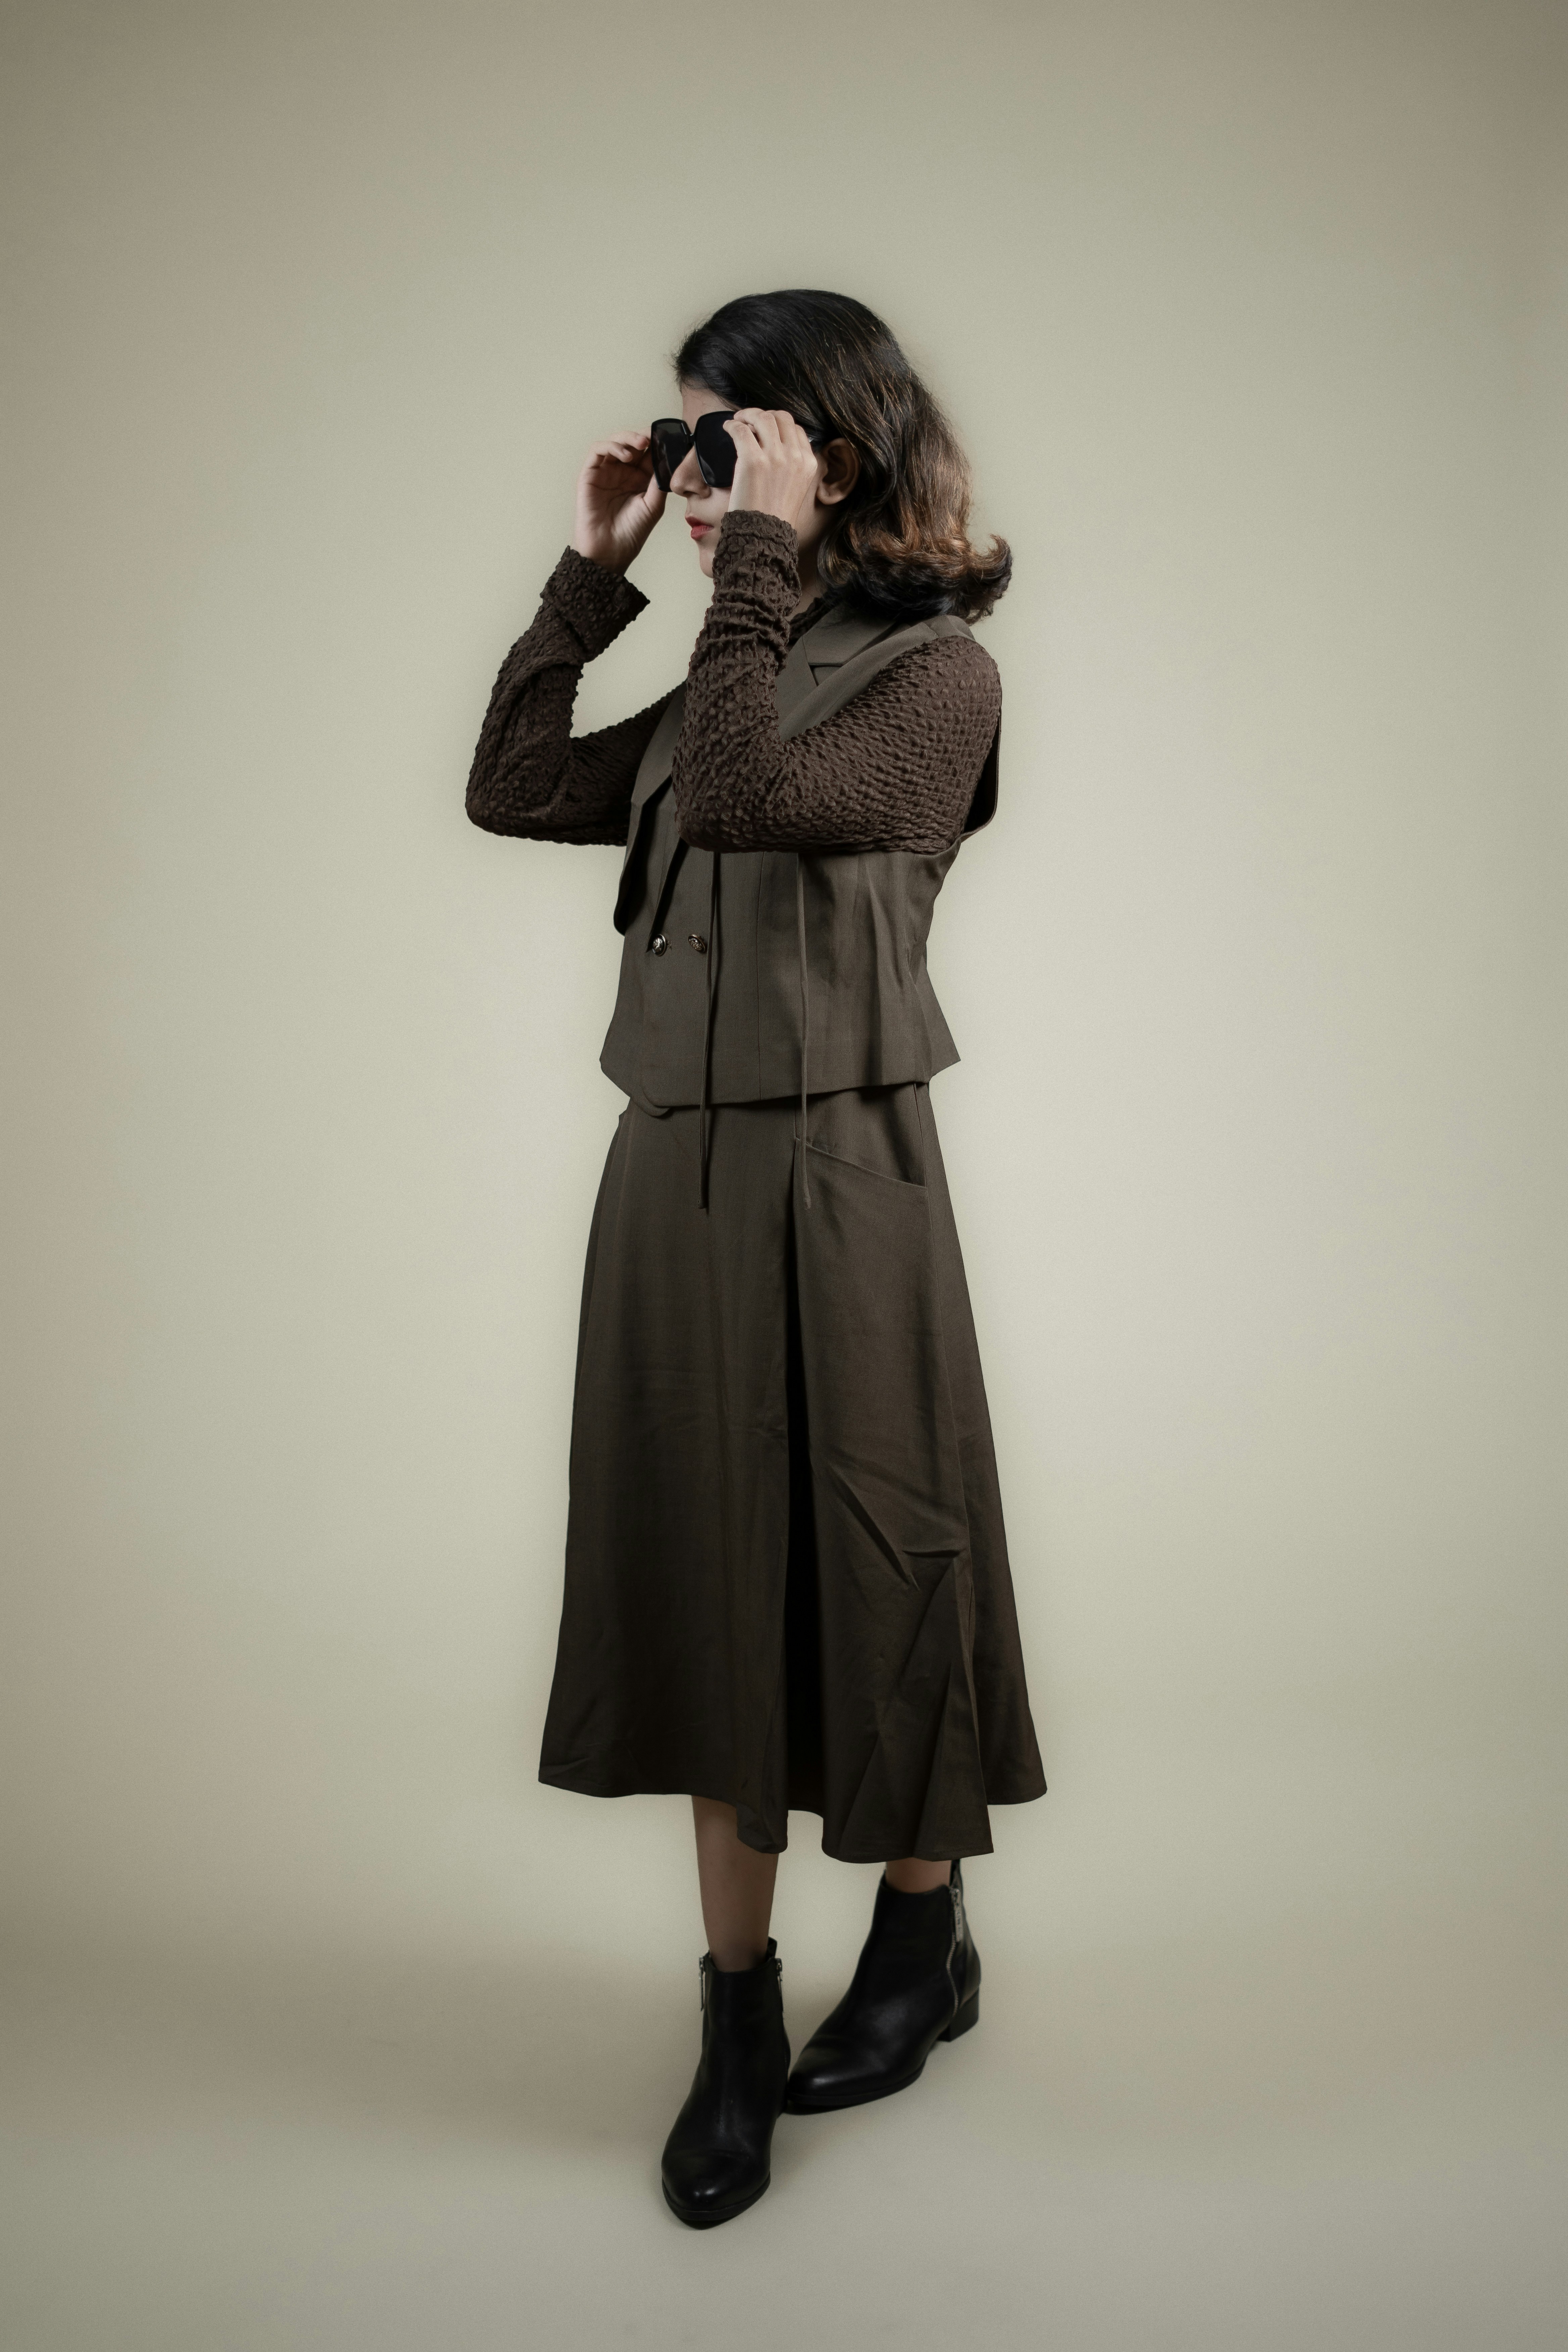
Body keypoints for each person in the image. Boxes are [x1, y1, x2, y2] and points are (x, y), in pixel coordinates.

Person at [465, 289, 1045, 2228]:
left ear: (835, 453)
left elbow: (747, 796)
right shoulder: (743, 648)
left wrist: (757, 566)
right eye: (685, 442)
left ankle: (922, 1937)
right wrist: (593, 571)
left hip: (849, 1166)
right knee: (710, 1560)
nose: (698, 475)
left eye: (728, 443)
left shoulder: (938, 681)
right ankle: (734, 2009)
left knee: (883, 1547)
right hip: (677, 1175)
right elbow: (514, 785)